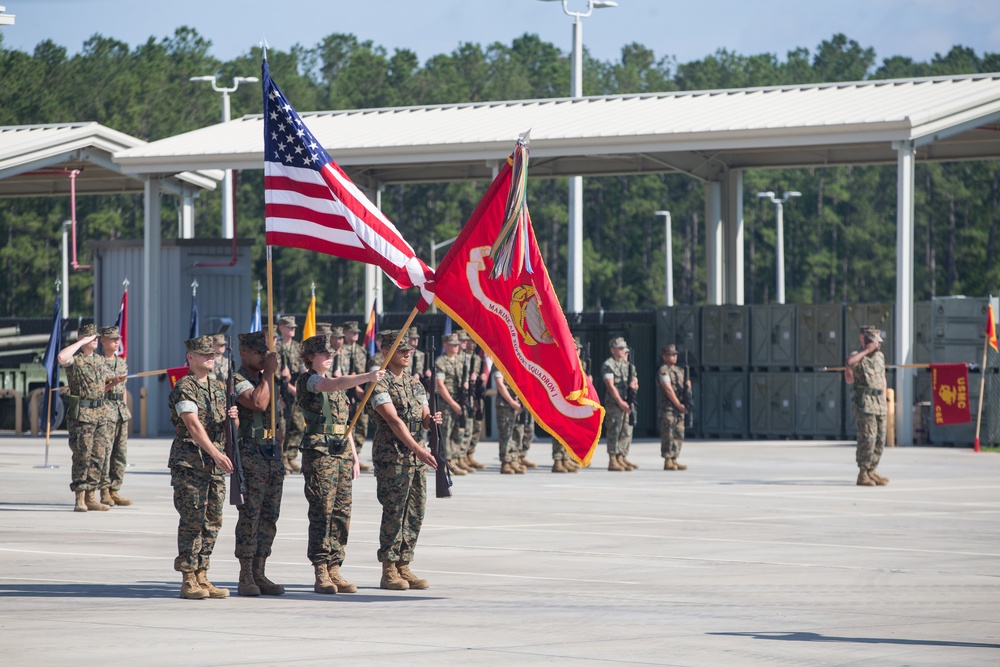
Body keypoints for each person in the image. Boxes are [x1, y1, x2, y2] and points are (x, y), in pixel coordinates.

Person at [297, 334, 384, 595]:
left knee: (341, 513)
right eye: (323, 354)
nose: (328, 357)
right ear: (311, 357)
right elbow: (334, 384)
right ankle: (321, 569)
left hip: (341, 452)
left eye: (330, 354)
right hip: (320, 452)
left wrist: (355, 456)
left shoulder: (334, 386)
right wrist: (367, 377)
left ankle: (335, 566)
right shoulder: (310, 380)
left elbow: (344, 425)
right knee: (322, 510)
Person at [167, 335, 239, 600]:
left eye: (213, 354)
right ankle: (188, 578)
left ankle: (202, 574)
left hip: (214, 464)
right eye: (204, 354)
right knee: (192, 520)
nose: (211, 357)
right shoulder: (184, 387)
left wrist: (235, 419)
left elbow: (229, 428)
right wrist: (216, 454)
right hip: (190, 461)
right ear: (190, 358)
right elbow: (193, 424)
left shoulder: (220, 388)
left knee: (212, 521)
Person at [370, 331, 441, 590]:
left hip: (415, 459)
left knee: (415, 512)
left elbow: (423, 416)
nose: (408, 353)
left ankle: (404, 565)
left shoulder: (415, 384)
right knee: (394, 512)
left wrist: (431, 420)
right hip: (393, 458)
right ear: (386, 352)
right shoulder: (379, 382)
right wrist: (418, 448)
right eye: (402, 350)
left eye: (409, 349)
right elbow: (393, 420)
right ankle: (389, 569)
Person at [232, 331, 285, 597]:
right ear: (244, 353)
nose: (264, 357)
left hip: (272, 454)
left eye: (265, 352)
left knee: (269, 517)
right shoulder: (237, 380)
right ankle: (245, 575)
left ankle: (260, 570)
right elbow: (258, 403)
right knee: (250, 515)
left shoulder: (269, 379)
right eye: (258, 353)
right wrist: (269, 374)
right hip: (251, 454)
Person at [58, 323, 115, 512]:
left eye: (96, 337)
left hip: (100, 414)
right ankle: (79, 498)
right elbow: (61, 357)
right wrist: (81, 341)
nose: (96, 340)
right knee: (82, 455)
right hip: (82, 415)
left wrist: (112, 385)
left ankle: (91, 496)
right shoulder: (76, 360)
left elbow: (98, 389)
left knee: (99, 456)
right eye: (92, 338)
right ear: (83, 339)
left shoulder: (100, 361)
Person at [845, 326, 890, 486]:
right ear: (869, 342)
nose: (879, 345)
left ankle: (872, 470)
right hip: (865, 402)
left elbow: (882, 377)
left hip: (879, 402)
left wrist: (885, 398)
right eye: (876, 342)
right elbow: (849, 363)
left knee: (880, 439)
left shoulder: (880, 357)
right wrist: (866, 350)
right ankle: (863, 473)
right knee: (868, 438)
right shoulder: (858, 357)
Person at [97, 326, 132, 506]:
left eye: (117, 338)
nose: (116, 341)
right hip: (105, 410)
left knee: (120, 454)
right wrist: (113, 384)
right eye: (112, 339)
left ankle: (115, 489)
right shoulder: (98, 363)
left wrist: (125, 407)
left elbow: (123, 389)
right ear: (103, 340)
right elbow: (95, 391)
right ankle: (104, 491)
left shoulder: (122, 363)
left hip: (120, 411)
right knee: (105, 453)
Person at [275, 316, 305, 474]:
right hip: (280, 391)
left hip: (294, 391)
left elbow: (303, 369)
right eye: (289, 327)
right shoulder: (275, 347)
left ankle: (290, 456)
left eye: (294, 327)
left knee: (298, 426)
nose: (293, 329)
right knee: (283, 428)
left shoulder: (297, 348)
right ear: (281, 328)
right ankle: (282, 459)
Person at [602, 337, 638, 471]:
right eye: (620, 348)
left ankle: (621, 457)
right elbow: (610, 387)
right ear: (613, 350)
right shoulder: (608, 365)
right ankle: (612, 459)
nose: (623, 351)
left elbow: (635, 379)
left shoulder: (628, 365)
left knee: (627, 430)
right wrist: (620, 402)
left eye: (624, 348)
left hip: (628, 402)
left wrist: (634, 385)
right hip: (614, 403)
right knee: (614, 430)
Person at [339, 321, 372, 472]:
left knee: (362, 426)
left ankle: (356, 456)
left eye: (357, 332)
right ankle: (347, 456)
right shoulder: (340, 352)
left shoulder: (362, 351)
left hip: (359, 394)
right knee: (347, 425)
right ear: (345, 333)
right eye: (352, 332)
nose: (355, 335)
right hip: (345, 392)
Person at [434, 333, 468, 475]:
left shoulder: (461, 360)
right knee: (445, 434)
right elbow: (440, 386)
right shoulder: (441, 362)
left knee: (457, 432)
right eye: (453, 344)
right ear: (445, 345)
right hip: (447, 402)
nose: (456, 346)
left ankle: (453, 460)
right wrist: (453, 404)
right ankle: (444, 463)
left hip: (460, 400)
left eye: (456, 344)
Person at [552, 336, 587, 473]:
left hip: (574, 402)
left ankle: (566, 458)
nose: (577, 351)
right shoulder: (561, 361)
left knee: (569, 432)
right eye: (575, 348)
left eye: (579, 349)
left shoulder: (581, 364)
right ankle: (557, 460)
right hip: (562, 400)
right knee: (560, 431)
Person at [657, 344, 690, 471]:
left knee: (679, 433)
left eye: (675, 354)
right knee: (668, 433)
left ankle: (675, 458)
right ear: (665, 356)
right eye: (671, 355)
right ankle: (668, 460)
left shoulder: (680, 371)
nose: (674, 357)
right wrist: (678, 405)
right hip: (668, 408)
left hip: (679, 407)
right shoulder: (663, 370)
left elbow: (684, 389)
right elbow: (668, 389)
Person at [494, 370, 533, 474]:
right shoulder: (500, 359)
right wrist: (511, 402)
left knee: (518, 432)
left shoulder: (519, 361)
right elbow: (499, 383)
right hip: (505, 405)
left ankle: (514, 460)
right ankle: (506, 463)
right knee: (506, 434)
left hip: (519, 404)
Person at [460, 334, 489, 470]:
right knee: (466, 426)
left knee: (476, 426)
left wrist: (481, 377)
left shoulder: (478, 359)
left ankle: (470, 453)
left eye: (473, 341)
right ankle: (461, 455)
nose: (472, 344)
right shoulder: (462, 358)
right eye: (469, 341)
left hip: (476, 395)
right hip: (466, 395)